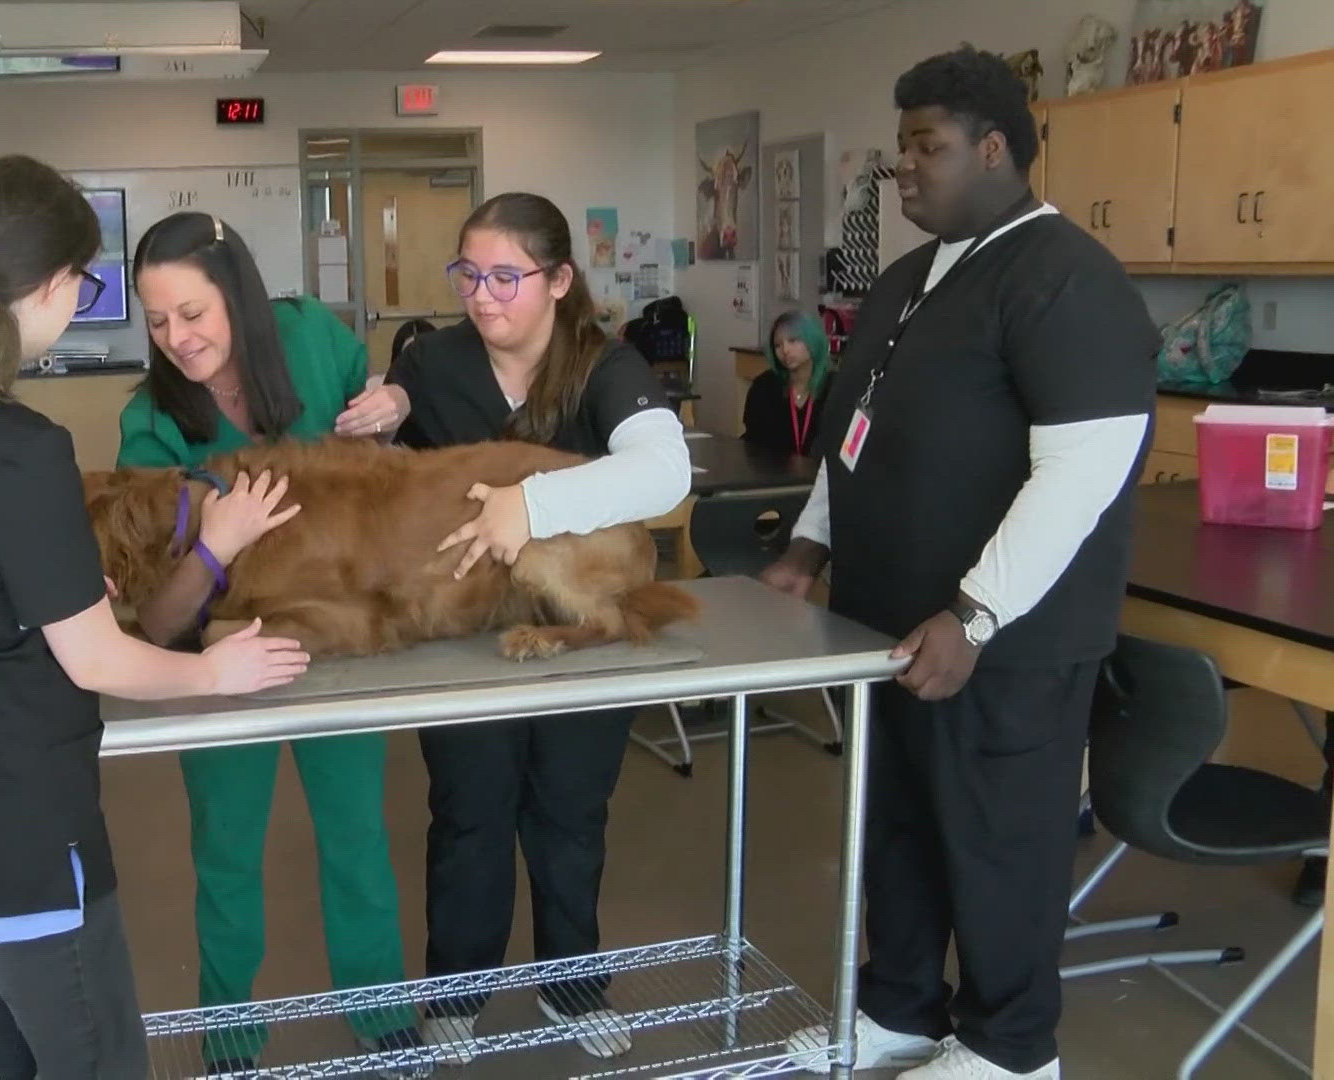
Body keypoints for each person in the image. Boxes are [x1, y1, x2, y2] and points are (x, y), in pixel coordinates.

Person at [0, 158, 307, 1080]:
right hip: (21, 842)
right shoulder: (22, 450)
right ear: (49, 287)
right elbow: (95, 660)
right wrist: (214, 673)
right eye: (86, 280)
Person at [767, 48, 1156, 1080]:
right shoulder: (912, 277)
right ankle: (898, 1008)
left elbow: (1081, 476)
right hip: (889, 624)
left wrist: (976, 615)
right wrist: (811, 544)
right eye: (900, 149)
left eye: (926, 148)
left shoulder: (1068, 280)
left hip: (1006, 640)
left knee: (999, 842)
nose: (906, 169)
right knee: (896, 828)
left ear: (993, 150)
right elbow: (859, 434)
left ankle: (1011, 1048)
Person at [367, 191, 692, 1063]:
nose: (484, 294)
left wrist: (533, 502)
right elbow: (396, 467)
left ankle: (571, 991)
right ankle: (456, 997)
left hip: (580, 629)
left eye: (506, 276)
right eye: (469, 273)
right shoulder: (434, 361)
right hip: (465, 635)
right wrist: (387, 415)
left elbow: (664, 472)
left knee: (571, 814)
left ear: (558, 280)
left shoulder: (604, 366)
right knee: (467, 816)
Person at [114, 211, 425, 1076]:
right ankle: (232, 1041)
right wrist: (219, 541)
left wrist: (392, 404)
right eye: (158, 318)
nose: (176, 338)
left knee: (358, 839)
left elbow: (382, 450)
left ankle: (380, 1011)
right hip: (223, 661)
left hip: (336, 638)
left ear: (240, 300)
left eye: (194, 314)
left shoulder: (310, 340)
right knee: (226, 857)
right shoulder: (152, 420)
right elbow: (159, 622)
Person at [741, 309, 834, 456]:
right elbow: (752, 441)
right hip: (773, 475)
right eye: (778, 345)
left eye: (793, 341)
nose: (785, 350)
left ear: (812, 341)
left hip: (822, 476)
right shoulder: (764, 386)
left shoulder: (836, 387)